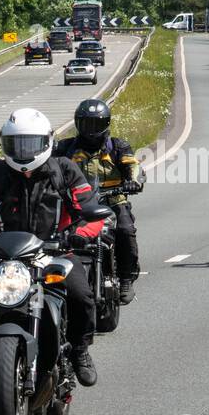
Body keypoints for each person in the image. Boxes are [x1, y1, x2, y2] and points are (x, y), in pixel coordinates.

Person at [0, 108, 102, 389]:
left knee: (81, 295)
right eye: (16, 144)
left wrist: (80, 235)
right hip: (5, 256)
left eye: (30, 143)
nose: (23, 151)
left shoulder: (64, 169)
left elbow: (91, 210)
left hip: (56, 252)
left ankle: (81, 350)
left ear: (46, 142)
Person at [55, 99, 144, 305]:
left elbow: (134, 166)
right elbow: (50, 168)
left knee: (125, 229)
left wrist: (133, 181)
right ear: (78, 124)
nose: (91, 130)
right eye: (86, 124)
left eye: (96, 124)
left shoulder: (117, 146)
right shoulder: (65, 149)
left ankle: (125, 278)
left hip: (112, 201)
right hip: (76, 205)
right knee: (57, 234)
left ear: (106, 124)